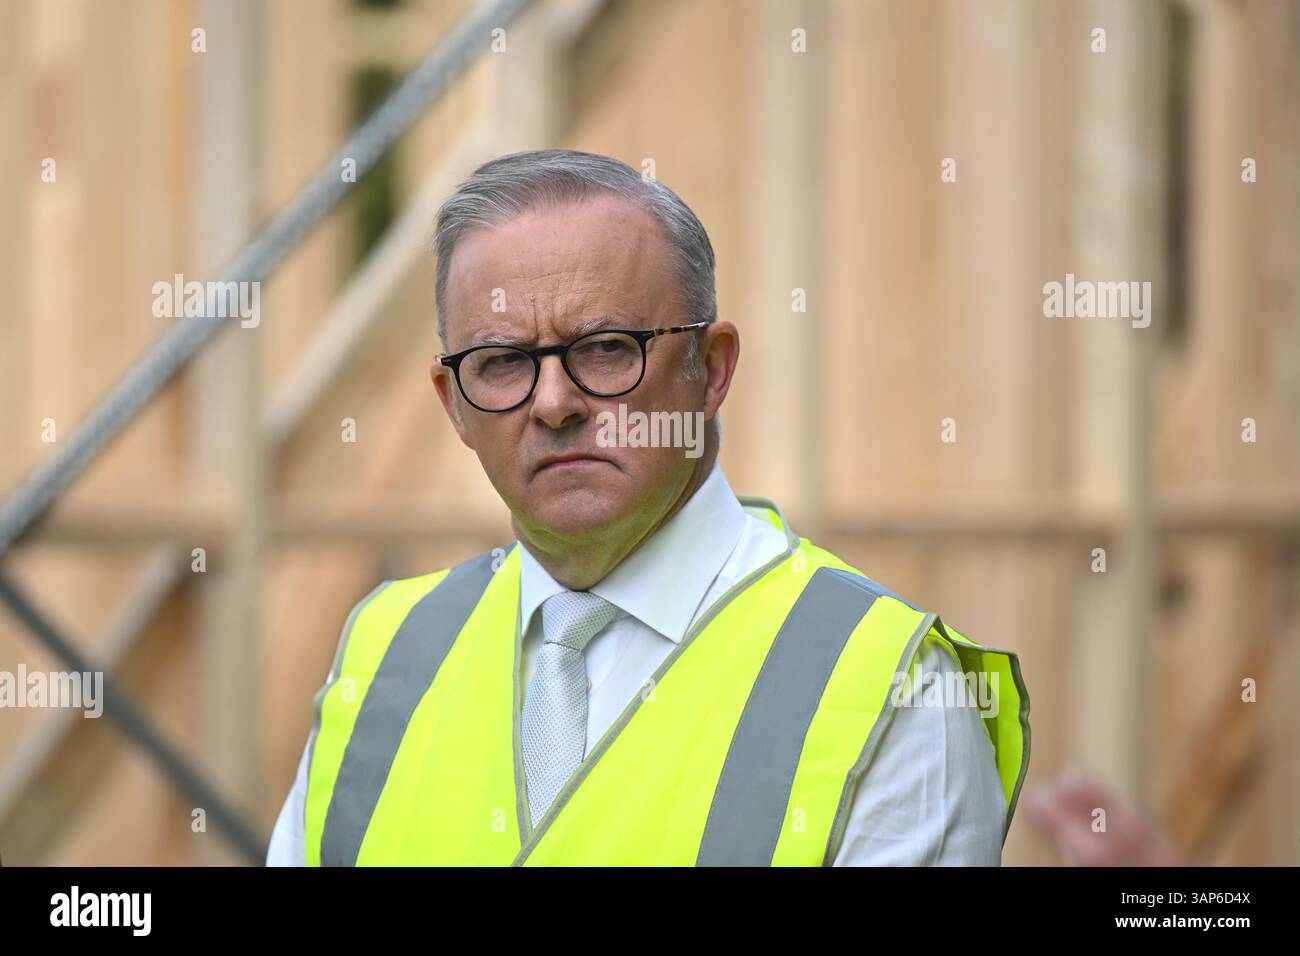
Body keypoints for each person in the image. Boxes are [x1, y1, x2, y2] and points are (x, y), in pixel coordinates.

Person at [267, 148, 1029, 866]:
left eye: (605, 349)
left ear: (712, 367)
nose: (555, 403)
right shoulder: (382, 655)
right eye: (502, 363)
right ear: (454, 406)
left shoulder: (891, 688)